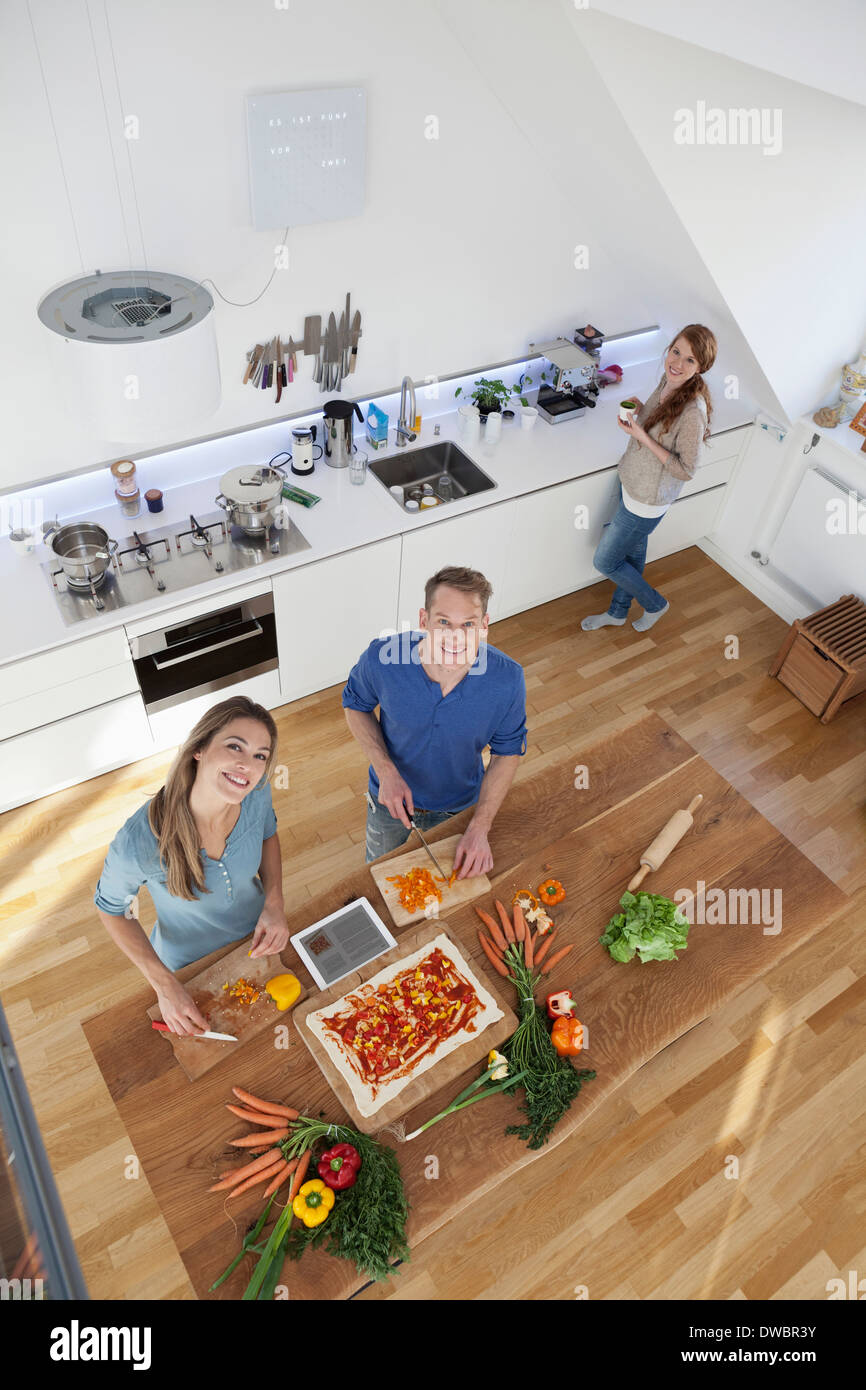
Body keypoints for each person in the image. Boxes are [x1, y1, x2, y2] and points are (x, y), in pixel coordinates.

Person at [93, 696, 288, 1035]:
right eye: (235, 747)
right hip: (187, 968)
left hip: (258, 940)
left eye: (260, 756)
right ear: (199, 749)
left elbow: (268, 835)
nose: (248, 766)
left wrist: (274, 902)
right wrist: (164, 986)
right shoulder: (138, 842)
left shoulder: (256, 793)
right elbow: (110, 909)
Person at [342, 566, 527, 876]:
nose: (455, 637)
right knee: (379, 877)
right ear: (424, 620)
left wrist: (480, 826)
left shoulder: (508, 679)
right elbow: (355, 705)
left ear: (484, 626)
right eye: (444, 622)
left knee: (451, 884)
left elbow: (507, 752)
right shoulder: (382, 658)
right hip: (389, 801)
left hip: (460, 806)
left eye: (468, 624)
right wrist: (386, 771)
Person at [582, 324, 717, 633]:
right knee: (633, 555)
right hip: (630, 479)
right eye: (676, 351)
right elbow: (659, 426)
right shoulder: (669, 381)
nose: (677, 363)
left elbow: (686, 470)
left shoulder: (693, 412)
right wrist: (641, 414)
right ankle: (618, 612)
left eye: (690, 361)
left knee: (605, 561)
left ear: (701, 369)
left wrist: (642, 433)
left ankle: (655, 604)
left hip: (646, 501)